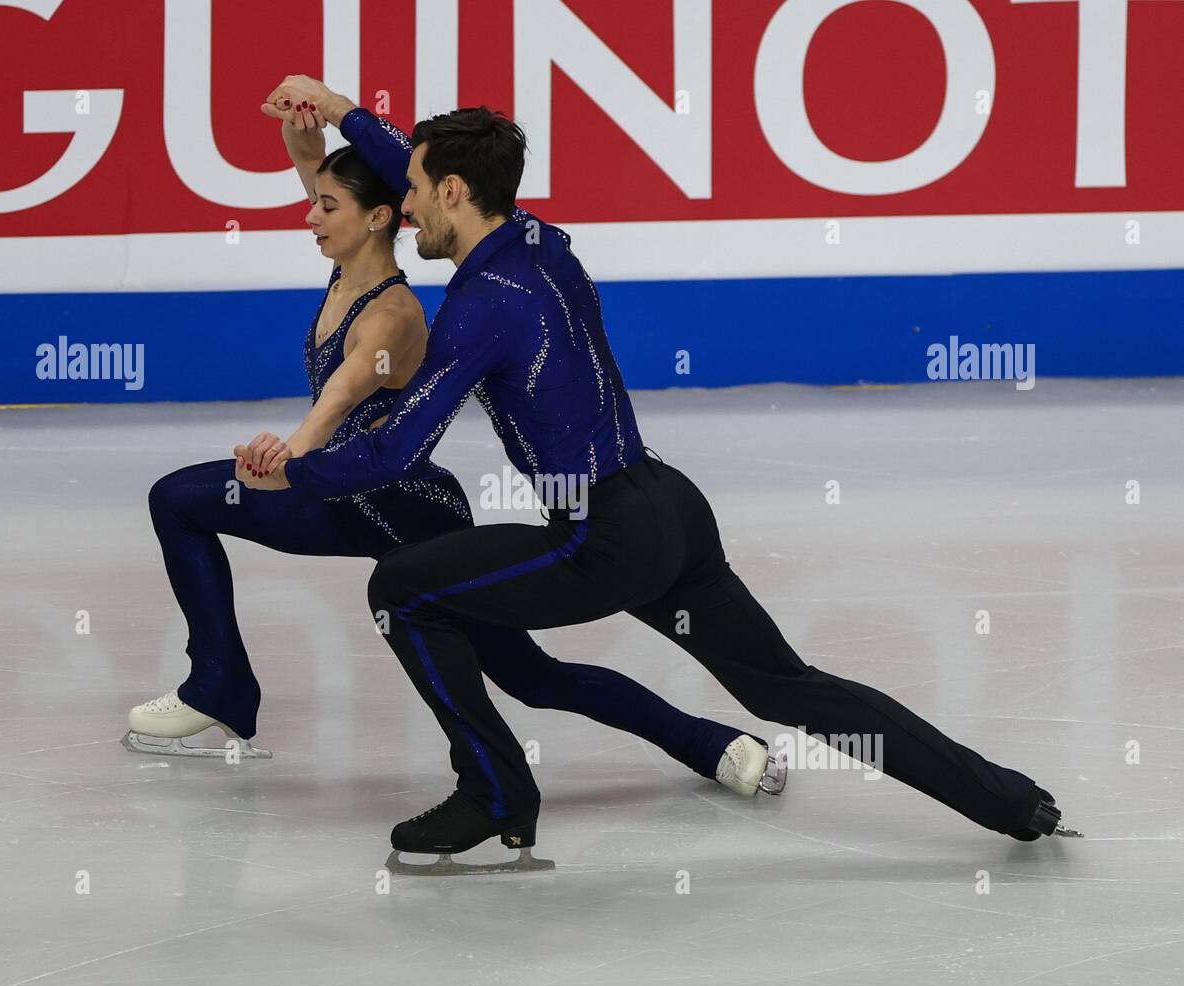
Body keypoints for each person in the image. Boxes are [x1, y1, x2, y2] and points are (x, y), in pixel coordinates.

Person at [244, 76, 1079, 869]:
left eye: (419, 189)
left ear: (456, 193)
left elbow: (398, 451)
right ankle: (1007, 799)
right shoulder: (535, 240)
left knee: (403, 588)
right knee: (789, 686)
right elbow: (414, 169)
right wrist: (347, 112)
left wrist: (297, 473)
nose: (408, 202)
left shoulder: (476, 307)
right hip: (669, 507)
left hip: (602, 537)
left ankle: (495, 790)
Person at [126, 95, 778, 806]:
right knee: (178, 500)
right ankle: (219, 679)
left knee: (531, 674)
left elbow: (339, 401)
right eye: (312, 201)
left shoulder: (391, 313)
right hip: (355, 492)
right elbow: (318, 163)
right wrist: (315, 115)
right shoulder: (346, 261)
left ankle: (711, 743)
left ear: (376, 218)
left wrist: (285, 465)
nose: (309, 216)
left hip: (400, 506)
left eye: (327, 207)